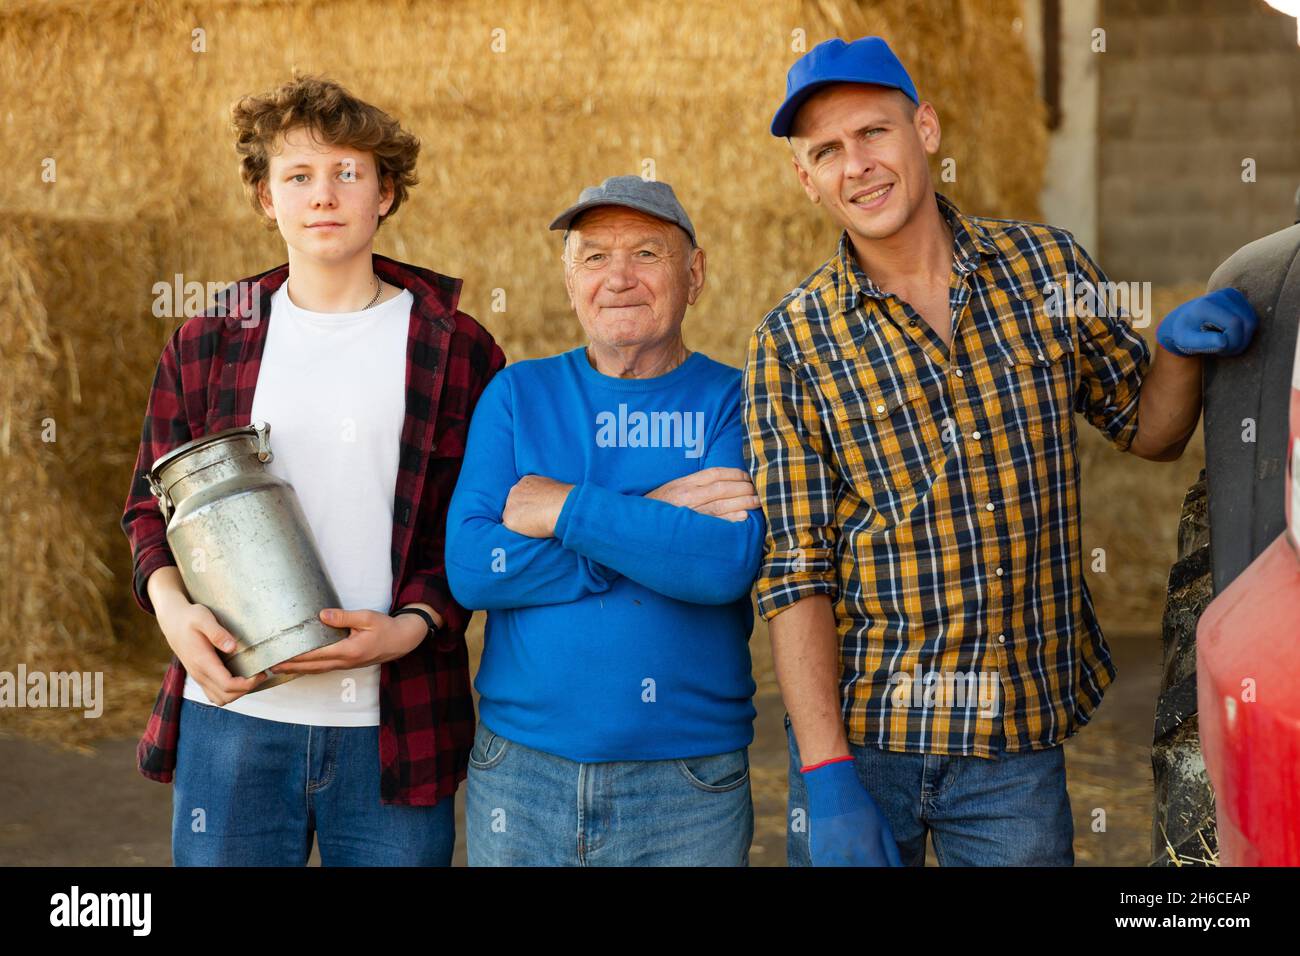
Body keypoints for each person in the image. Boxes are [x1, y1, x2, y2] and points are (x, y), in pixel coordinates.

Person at [745, 36, 1257, 866]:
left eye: (874, 133)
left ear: (927, 129)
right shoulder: (792, 342)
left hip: (1013, 742)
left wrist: (1177, 354)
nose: (857, 166)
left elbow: (1150, 431)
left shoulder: (1046, 268)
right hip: (869, 738)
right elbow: (796, 571)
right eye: (826, 151)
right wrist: (827, 771)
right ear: (806, 180)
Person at [120, 74, 505, 866]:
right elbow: (146, 510)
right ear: (266, 198)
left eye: (347, 173)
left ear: (386, 193)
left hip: (392, 727)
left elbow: (477, 522)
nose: (322, 196)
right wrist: (170, 611)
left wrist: (414, 626)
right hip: (233, 717)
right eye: (297, 176)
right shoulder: (208, 340)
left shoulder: (456, 347)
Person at [445, 175, 765, 866]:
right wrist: (657, 515)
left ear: (696, 273)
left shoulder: (733, 399)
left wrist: (562, 507)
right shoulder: (517, 394)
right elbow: (473, 569)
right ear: (569, 280)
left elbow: (720, 566)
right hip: (522, 774)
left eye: (646, 253)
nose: (618, 277)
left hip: (687, 783)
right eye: (594, 257)